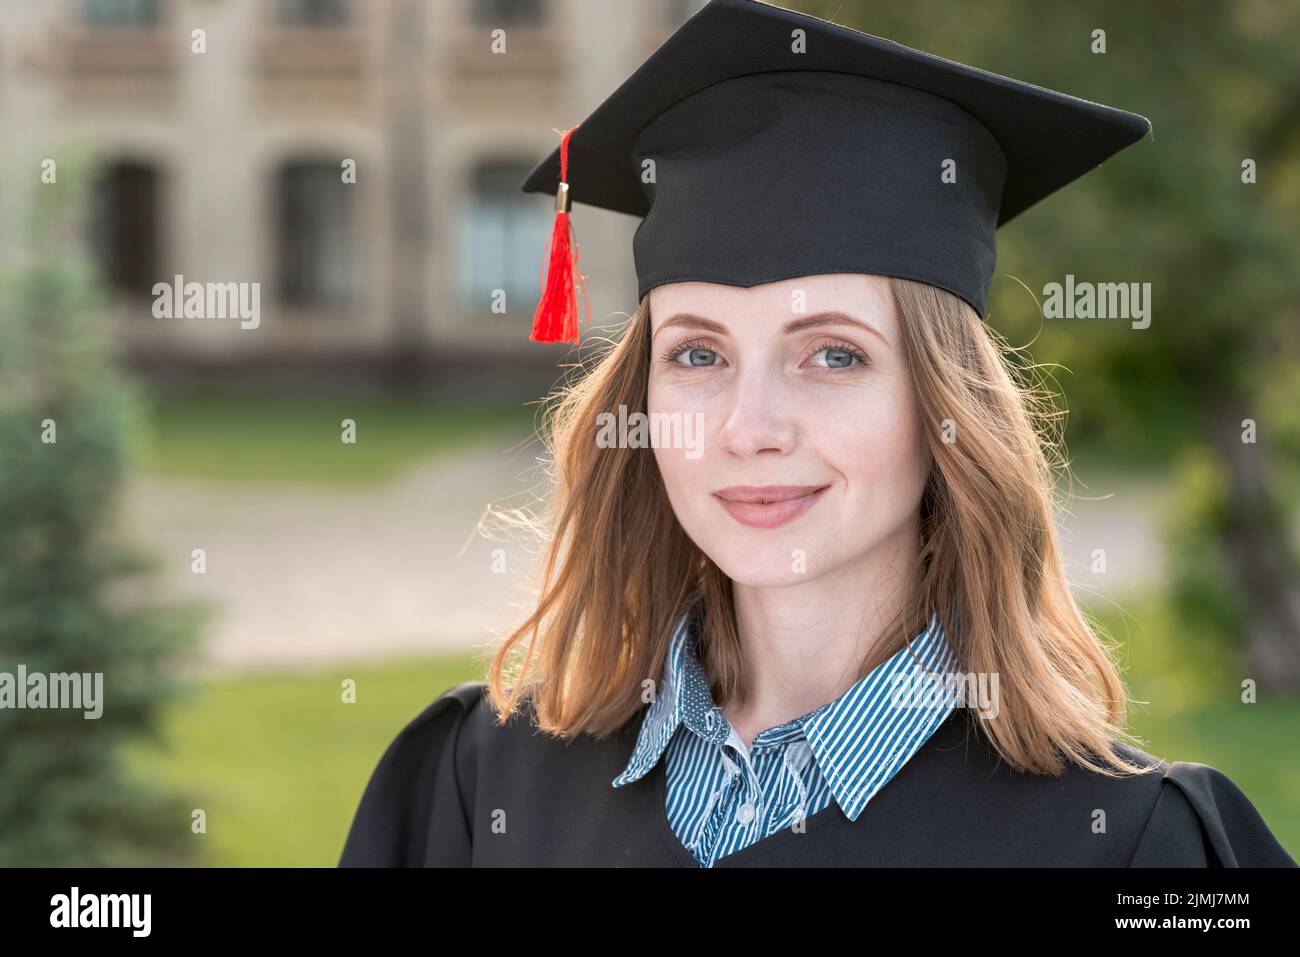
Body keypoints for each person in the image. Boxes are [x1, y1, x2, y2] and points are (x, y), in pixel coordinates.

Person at [338, 0, 1296, 867]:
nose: (749, 430)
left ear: (946, 407)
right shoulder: (482, 786)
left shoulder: (1131, 848)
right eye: (698, 355)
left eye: (833, 355)